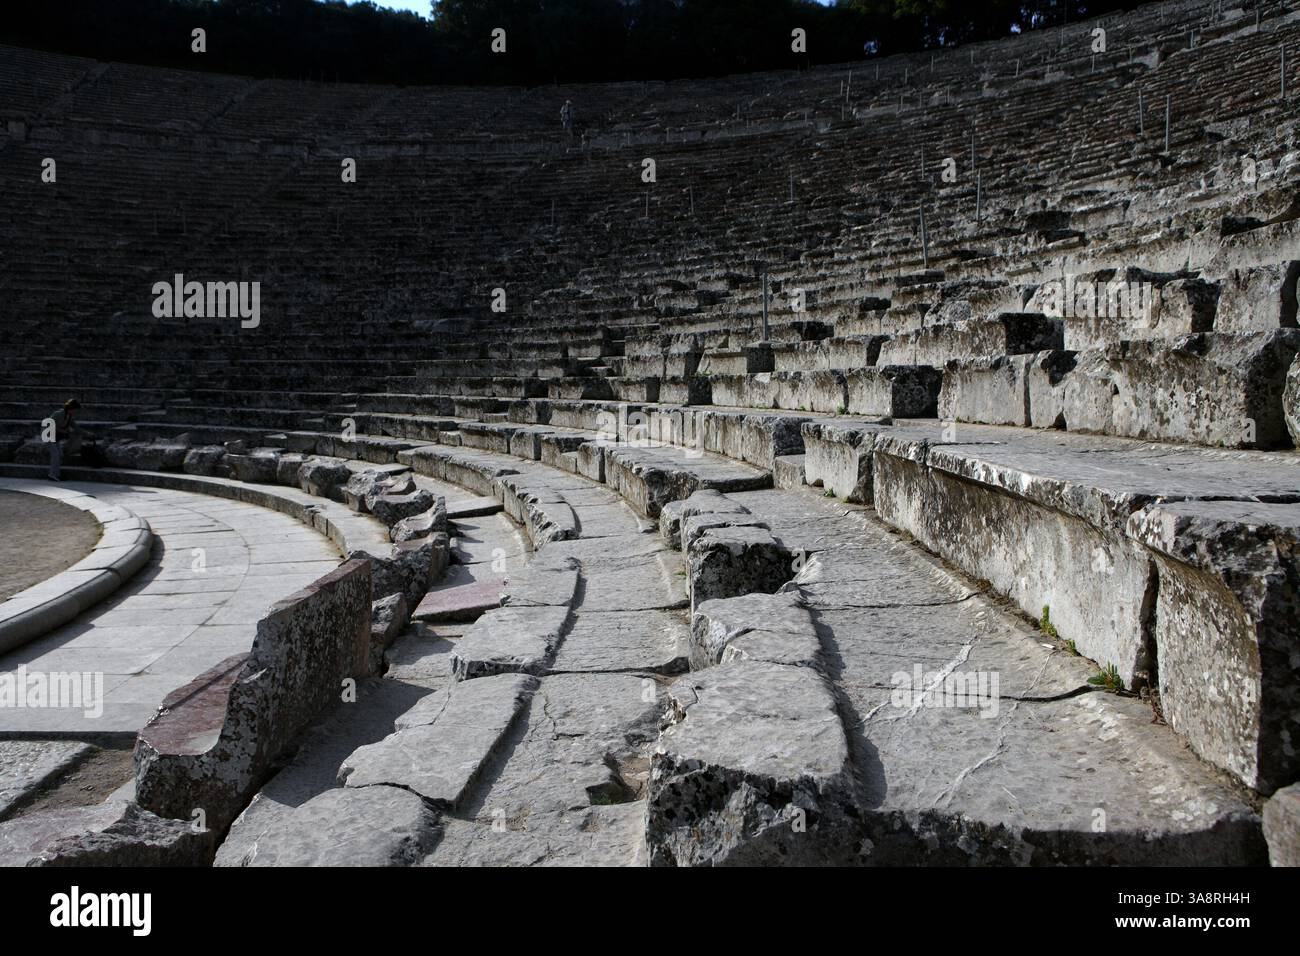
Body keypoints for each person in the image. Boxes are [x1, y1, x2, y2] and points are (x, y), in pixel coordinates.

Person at [46, 398, 80, 481]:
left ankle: (56, 474)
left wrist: (88, 434)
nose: (76, 411)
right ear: (71, 408)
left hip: (55, 437)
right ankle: (52, 475)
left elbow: (76, 428)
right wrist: (60, 430)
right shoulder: (58, 413)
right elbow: (48, 423)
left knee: (60, 455)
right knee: (55, 455)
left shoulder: (69, 417)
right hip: (47, 435)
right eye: (75, 409)